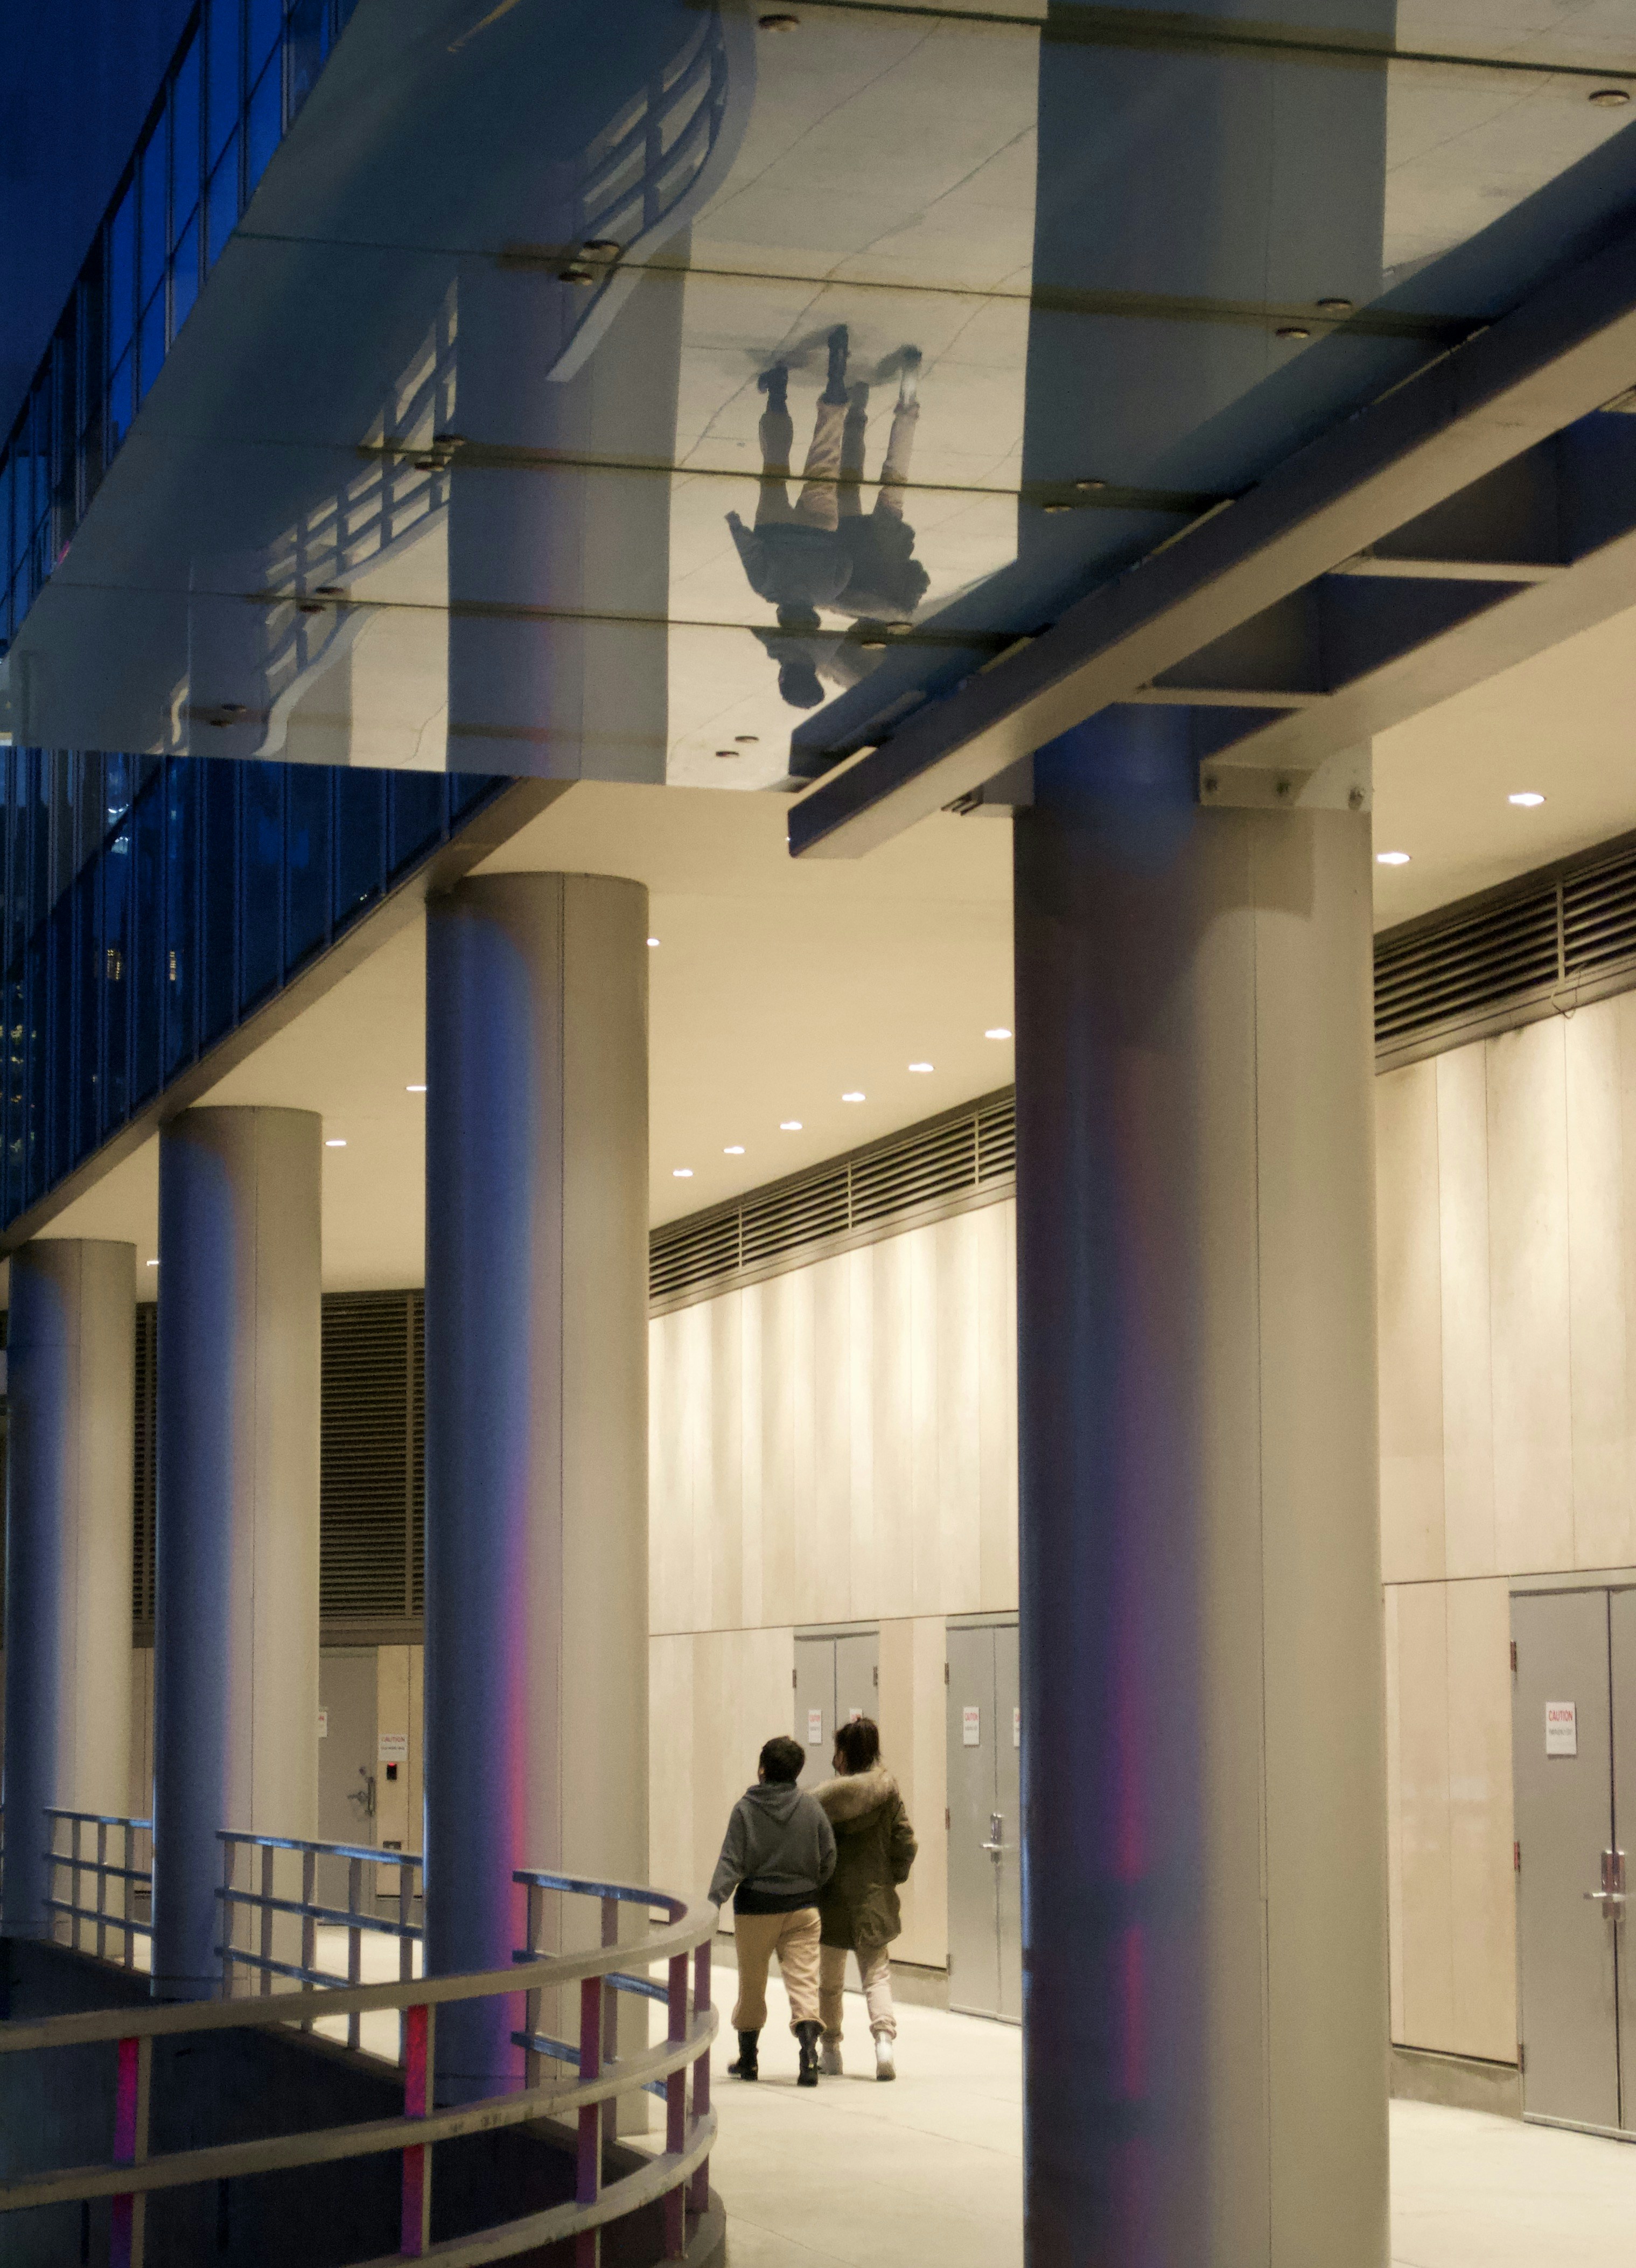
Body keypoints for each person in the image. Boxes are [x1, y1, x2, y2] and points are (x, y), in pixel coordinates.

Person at [726, 327, 856, 709]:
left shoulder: (831, 591)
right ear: (783, 676)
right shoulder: (766, 589)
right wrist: (734, 524)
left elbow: (846, 558)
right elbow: (750, 551)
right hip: (775, 526)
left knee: (826, 456)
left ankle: (836, 380)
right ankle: (779, 388)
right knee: (776, 463)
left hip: (822, 530)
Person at [709, 1733, 837, 2088]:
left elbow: (731, 1862)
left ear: (762, 1769)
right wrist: (811, 1883)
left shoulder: (746, 1809)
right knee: (804, 1983)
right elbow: (829, 1856)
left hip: (756, 1908)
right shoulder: (811, 1807)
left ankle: (749, 2060)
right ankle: (809, 2056)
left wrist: (712, 1901)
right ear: (796, 1771)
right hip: (803, 1908)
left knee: (752, 1984)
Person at [811, 1715, 918, 2081]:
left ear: (844, 1753)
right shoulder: (888, 1793)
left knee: (830, 1980)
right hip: (873, 1898)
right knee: (876, 1976)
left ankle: (831, 2050)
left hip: (832, 1898)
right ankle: (884, 2042)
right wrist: (892, 1877)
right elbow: (906, 1841)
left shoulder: (824, 1800)